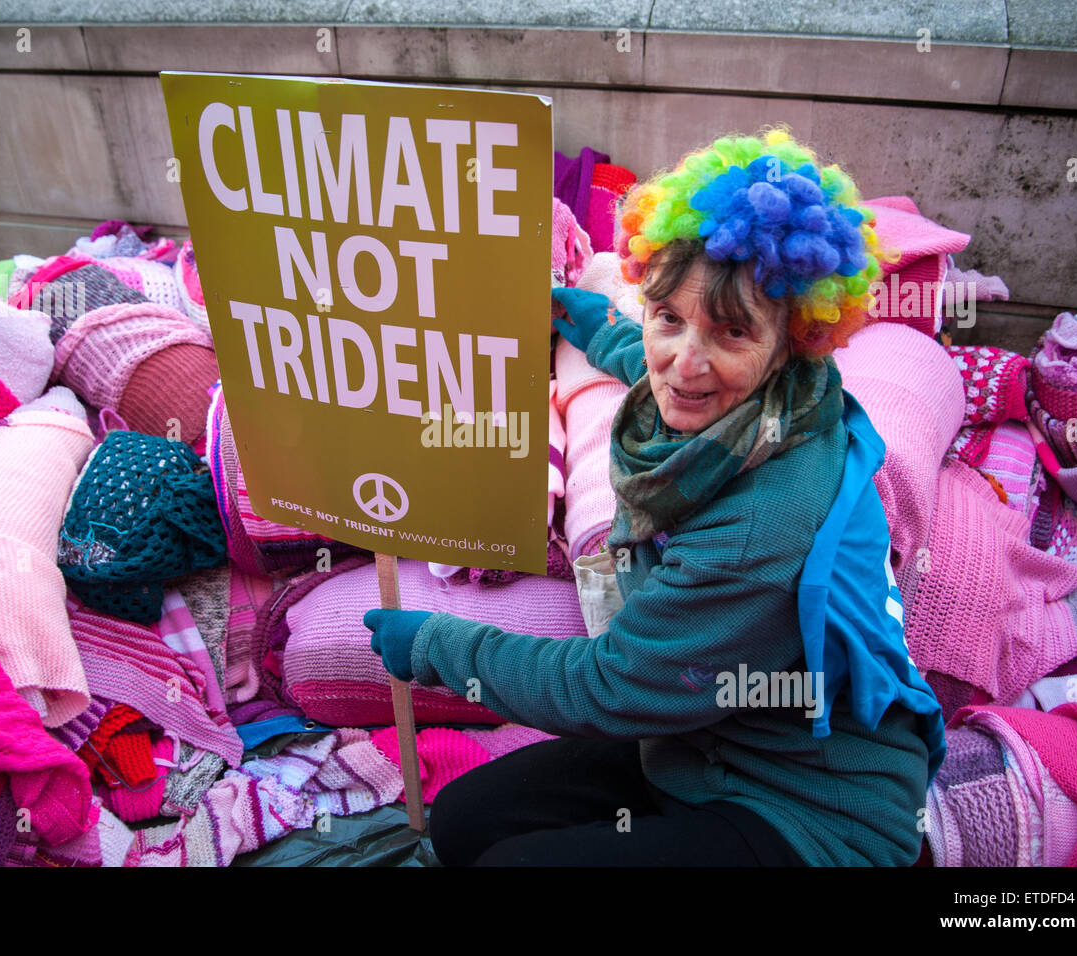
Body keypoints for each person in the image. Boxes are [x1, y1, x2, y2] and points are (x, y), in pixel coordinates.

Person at [363, 128, 946, 866]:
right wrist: (594, 325)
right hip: (698, 742)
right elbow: (665, 361)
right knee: (463, 821)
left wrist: (439, 645)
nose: (684, 362)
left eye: (732, 331)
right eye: (668, 316)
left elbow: (608, 687)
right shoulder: (777, 397)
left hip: (807, 809)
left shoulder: (760, 525)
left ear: (793, 338)